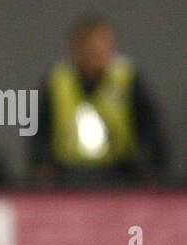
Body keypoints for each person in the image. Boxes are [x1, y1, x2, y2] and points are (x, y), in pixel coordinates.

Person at [32, 15, 167, 186]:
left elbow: (151, 128)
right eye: (89, 47)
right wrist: (42, 168)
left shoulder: (127, 78)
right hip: (67, 175)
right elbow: (39, 132)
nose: (96, 52)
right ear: (75, 49)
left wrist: (151, 169)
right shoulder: (57, 81)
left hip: (121, 172)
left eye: (102, 46)